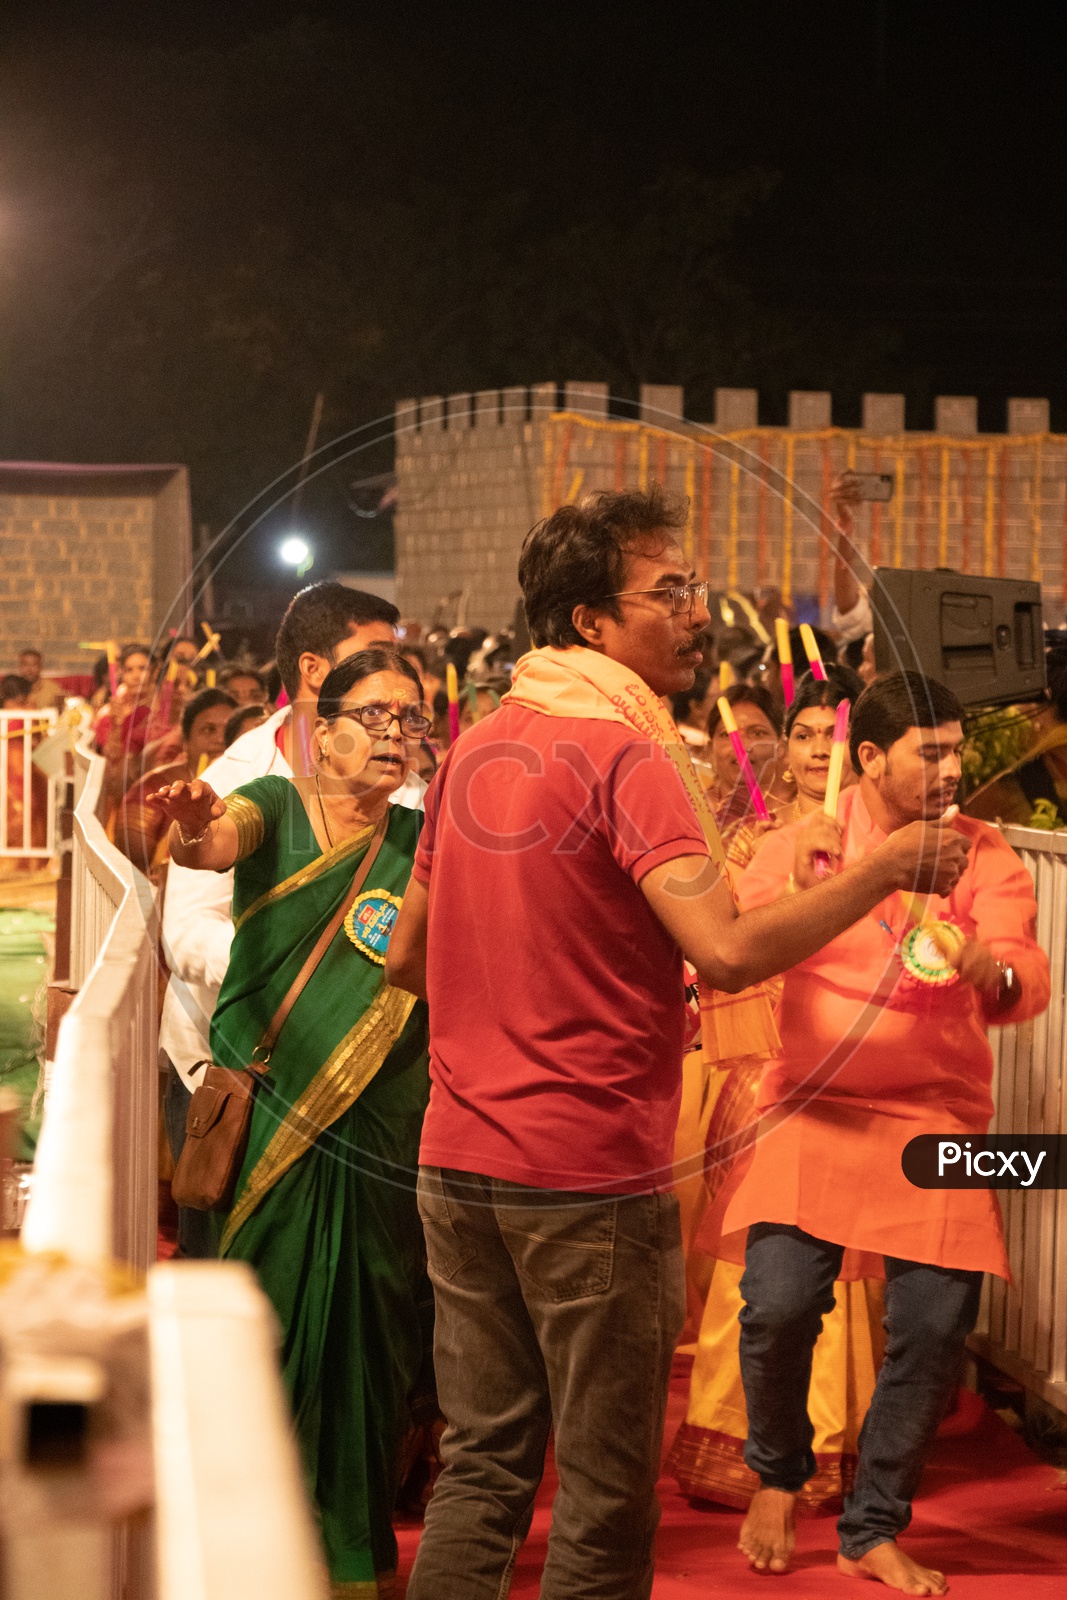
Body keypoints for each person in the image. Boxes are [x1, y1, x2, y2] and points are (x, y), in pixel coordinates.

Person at [384, 488, 969, 1600]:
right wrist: (884, 870)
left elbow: (406, 959)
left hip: (455, 1161)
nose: (696, 612)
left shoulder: (480, 748)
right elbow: (730, 949)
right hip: (586, 1174)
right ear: (590, 624)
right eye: (670, 592)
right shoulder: (624, 754)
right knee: (602, 1502)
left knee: (485, 1467)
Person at [714, 671, 1049, 1595]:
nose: (951, 770)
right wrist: (799, 877)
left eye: (955, 750)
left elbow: (1027, 982)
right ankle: (776, 1471)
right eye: (929, 753)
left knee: (937, 1326)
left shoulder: (982, 854)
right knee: (777, 1306)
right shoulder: (805, 843)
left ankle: (873, 1527)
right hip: (809, 1101)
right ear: (869, 757)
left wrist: (988, 966)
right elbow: (734, 946)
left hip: (935, 1116)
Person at [151, 648, 434, 1597]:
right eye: (378, 715)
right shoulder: (270, 804)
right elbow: (210, 842)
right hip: (269, 1117)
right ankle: (239, 1550)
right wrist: (191, 826)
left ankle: (351, 1555)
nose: (397, 734)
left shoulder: (423, 840)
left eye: (413, 716)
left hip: (387, 1126)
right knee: (259, 1328)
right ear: (323, 726)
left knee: (374, 1332)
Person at [668, 662, 878, 1512]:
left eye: (833, 735)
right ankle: (744, 1439)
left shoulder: (883, 846)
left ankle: (834, 1439)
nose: (816, 748)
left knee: (848, 1259)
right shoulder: (755, 845)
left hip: (855, 1069)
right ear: (785, 752)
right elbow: (729, 947)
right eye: (803, 735)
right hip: (768, 1069)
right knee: (763, 1265)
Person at [159, 582, 416, 1261]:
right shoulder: (250, 779)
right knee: (235, 1301)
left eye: (407, 711)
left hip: (375, 1095)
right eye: (373, 660)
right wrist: (301, 981)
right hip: (254, 1078)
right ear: (315, 676)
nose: (393, 717)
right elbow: (188, 923)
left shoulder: (411, 797)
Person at [113, 688, 236, 877]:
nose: (220, 739)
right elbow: (134, 861)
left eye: (229, 731)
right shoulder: (157, 787)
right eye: (208, 729)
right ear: (185, 740)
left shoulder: (253, 781)